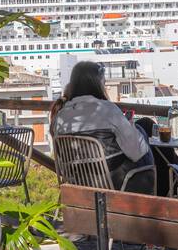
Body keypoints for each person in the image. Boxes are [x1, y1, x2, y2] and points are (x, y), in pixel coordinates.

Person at [51, 60, 155, 194]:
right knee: (142, 129)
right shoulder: (107, 109)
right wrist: (130, 126)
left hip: (78, 186)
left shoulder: (61, 116)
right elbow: (137, 152)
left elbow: (60, 164)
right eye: (104, 83)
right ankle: (166, 196)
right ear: (98, 85)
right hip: (116, 186)